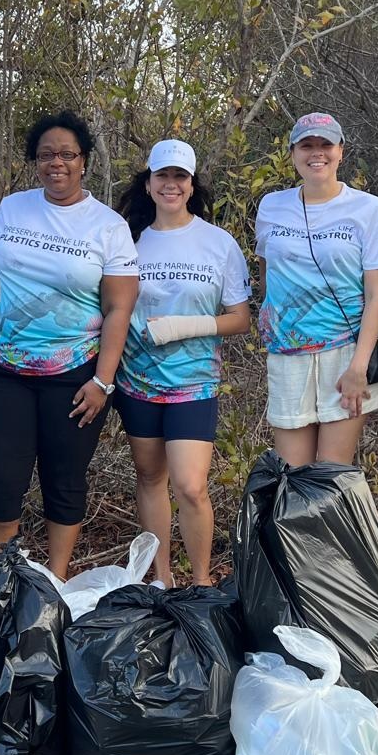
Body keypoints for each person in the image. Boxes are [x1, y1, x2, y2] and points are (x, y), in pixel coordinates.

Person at [0, 110, 139, 579]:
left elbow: (118, 310)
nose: (56, 163)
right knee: (0, 482)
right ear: (35, 161)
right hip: (7, 371)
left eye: (67, 154)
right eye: (46, 155)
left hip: (76, 375)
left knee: (63, 482)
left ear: (84, 161)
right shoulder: (13, 208)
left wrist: (103, 381)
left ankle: (57, 583)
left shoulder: (107, 226)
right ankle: (4, 581)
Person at [113, 140, 251, 586]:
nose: (171, 185)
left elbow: (240, 319)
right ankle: (162, 578)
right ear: (149, 184)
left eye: (180, 177)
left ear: (192, 185)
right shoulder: (128, 240)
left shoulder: (218, 243)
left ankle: (202, 581)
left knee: (190, 486)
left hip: (194, 383)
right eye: (162, 177)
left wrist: (181, 327)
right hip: (137, 381)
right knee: (151, 476)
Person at [254, 111, 378, 467]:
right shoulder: (271, 206)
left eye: (325, 144)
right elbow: (266, 270)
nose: (316, 153)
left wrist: (358, 367)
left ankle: (337, 527)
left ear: (340, 151)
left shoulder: (368, 209)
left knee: (332, 476)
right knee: (293, 474)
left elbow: (377, 295)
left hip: (345, 353)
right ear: (292, 153)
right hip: (288, 354)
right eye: (307, 145)